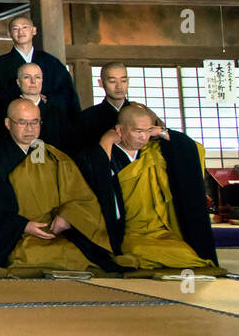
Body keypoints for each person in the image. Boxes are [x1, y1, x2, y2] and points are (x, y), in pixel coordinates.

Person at [0, 99, 121, 272]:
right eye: (22, 122)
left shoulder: (55, 157)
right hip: (19, 236)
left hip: (58, 233)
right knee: (31, 257)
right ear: (8, 124)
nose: (29, 129)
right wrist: (23, 225)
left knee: (80, 256)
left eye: (35, 122)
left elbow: (81, 197)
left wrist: (68, 216)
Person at [77, 103, 221, 272]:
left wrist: (161, 132)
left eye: (147, 131)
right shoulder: (107, 154)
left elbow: (192, 149)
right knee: (136, 251)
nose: (143, 137)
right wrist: (106, 143)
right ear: (120, 130)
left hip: (159, 231)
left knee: (186, 253)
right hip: (129, 233)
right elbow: (99, 183)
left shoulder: (153, 152)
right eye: (138, 131)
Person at [0, 14, 79, 123]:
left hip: (49, 119)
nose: (21, 32)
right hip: (15, 121)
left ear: (34, 30)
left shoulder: (51, 62)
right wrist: (23, 97)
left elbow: (67, 93)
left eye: (25, 27)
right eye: (15, 29)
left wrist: (43, 99)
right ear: (9, 34)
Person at [8, 62, 72, 153]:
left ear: (42, 81)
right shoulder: (9, 111)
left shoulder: (57, 113)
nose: (33, 81)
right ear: (18, 82)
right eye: (27, 77)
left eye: (37, 77)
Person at [75, 63, 130, 151]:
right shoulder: (87, 117)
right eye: (112, 81)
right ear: (101, 83)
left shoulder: (141, 114)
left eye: (123, 81)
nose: (119, 86)